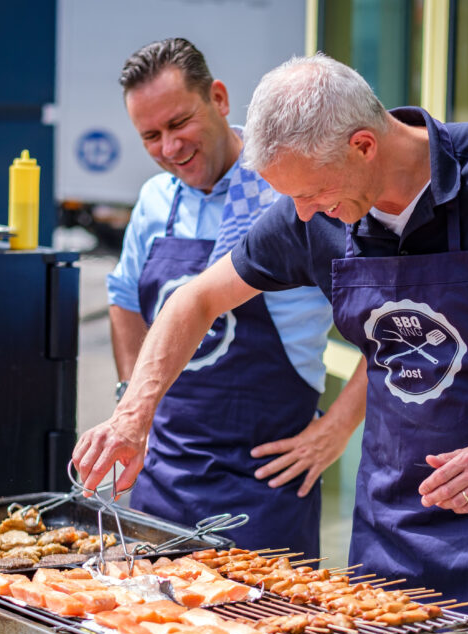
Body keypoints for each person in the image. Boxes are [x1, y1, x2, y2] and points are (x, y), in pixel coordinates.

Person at [74, 53, 468, 634]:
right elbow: (196, 298)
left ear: (365, 145)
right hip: (391, 518)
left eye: (311, 193)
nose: (302, 213)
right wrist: (134, 413)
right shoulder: (311, 214)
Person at [81, 40, 366, 559]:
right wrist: (131, 404)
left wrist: (338, 427)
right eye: (150, 135)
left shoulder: (294, 194)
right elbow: (123, 297)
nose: (169, 147)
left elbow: (385, 323)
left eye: (179, 123)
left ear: (219, 98)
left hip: (263, 490)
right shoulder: (153, 202)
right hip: (162, 476)